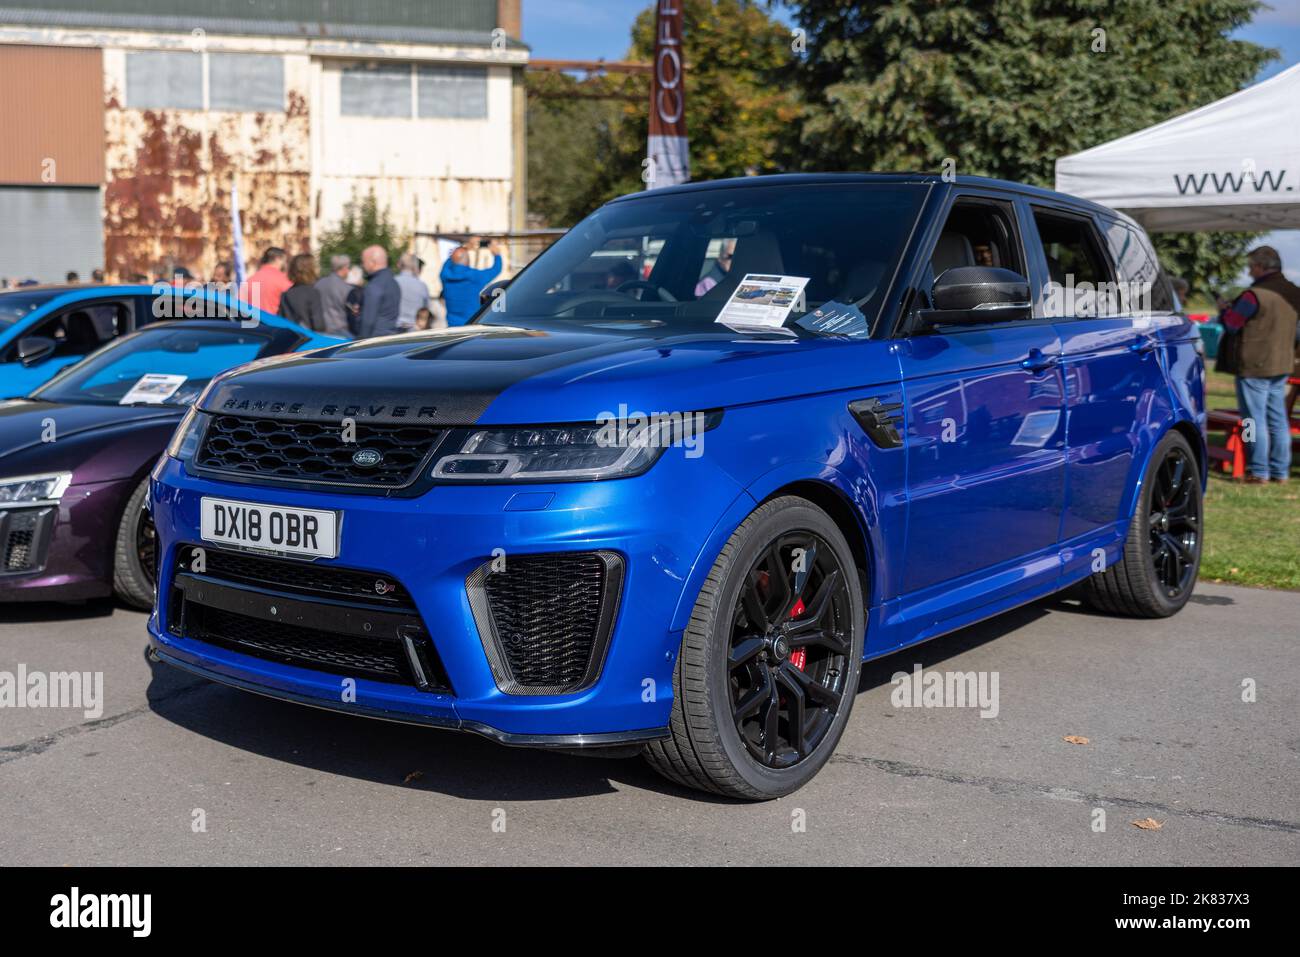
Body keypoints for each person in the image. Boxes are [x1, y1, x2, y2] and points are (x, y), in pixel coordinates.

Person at [1217, 245, 1300, 483]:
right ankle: (1280, 471)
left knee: (1253, 420)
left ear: (1261, 267)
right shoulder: (1293, 291)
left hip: (1254, 365)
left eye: (1251, 265)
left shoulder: (1254, 295)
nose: (1249, 270)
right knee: (1278, 419)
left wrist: (1223, 312)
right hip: (1282, 363)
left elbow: (1233, 324)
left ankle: (1258, 470)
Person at [440, 237, 502, 326]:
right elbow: (496, 269)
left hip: (451, 326)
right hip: (470, 325)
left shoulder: (445, 276)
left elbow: (450, 261)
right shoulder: (475, 276)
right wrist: (497, 255)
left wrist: (464, 248)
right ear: (467, 260)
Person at [356, 245, 401, 338]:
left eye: (363, 262)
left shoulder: (374, 285)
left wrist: (358, 345)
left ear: (372, 262)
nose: (362, 265)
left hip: (374, 341)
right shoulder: (394, 282)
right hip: (390, 339)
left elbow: (368, 322)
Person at [241, 246, 293, 316]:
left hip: (253, 324)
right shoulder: (283, 280)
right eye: (285, 261)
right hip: (276, 323)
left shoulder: (249, 281)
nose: (285, 264)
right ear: (278, 259)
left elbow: (240, 307)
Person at [279, 254, 325, 332]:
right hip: (311, 339)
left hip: (293, 337)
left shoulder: (286, 294)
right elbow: (318, 325)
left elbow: (283, 320)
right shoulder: (313, 292)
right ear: (310, 269)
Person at [314, 254, 354, 337]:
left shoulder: (318, 283)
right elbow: (352, 310)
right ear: (344, 268)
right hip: (340, 330)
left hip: (321, 331)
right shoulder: (346, 288)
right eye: (348, 268)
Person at [395, 253, 430, 331]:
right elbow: (426, 308)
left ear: (399, 264)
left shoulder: (393, 282)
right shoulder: (422, 286)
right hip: (414, 329)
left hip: (394, 329)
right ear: (414, 266)